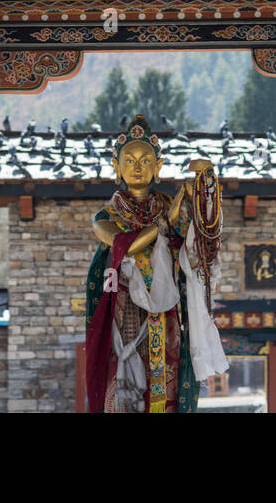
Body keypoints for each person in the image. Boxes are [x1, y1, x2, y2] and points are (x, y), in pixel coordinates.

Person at [85, 114, 227, 413]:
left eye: (145, 160)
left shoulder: (169, 206)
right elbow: (127, 246)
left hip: (167, 311)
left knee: (167, 376)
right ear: (116, 166)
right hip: (123, 310)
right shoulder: (106, 217)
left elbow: (199, 240)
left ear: (158, 166)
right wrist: (167, 221)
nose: (137, 167)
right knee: (127, 380)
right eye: (130, 160)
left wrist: (203, 189)